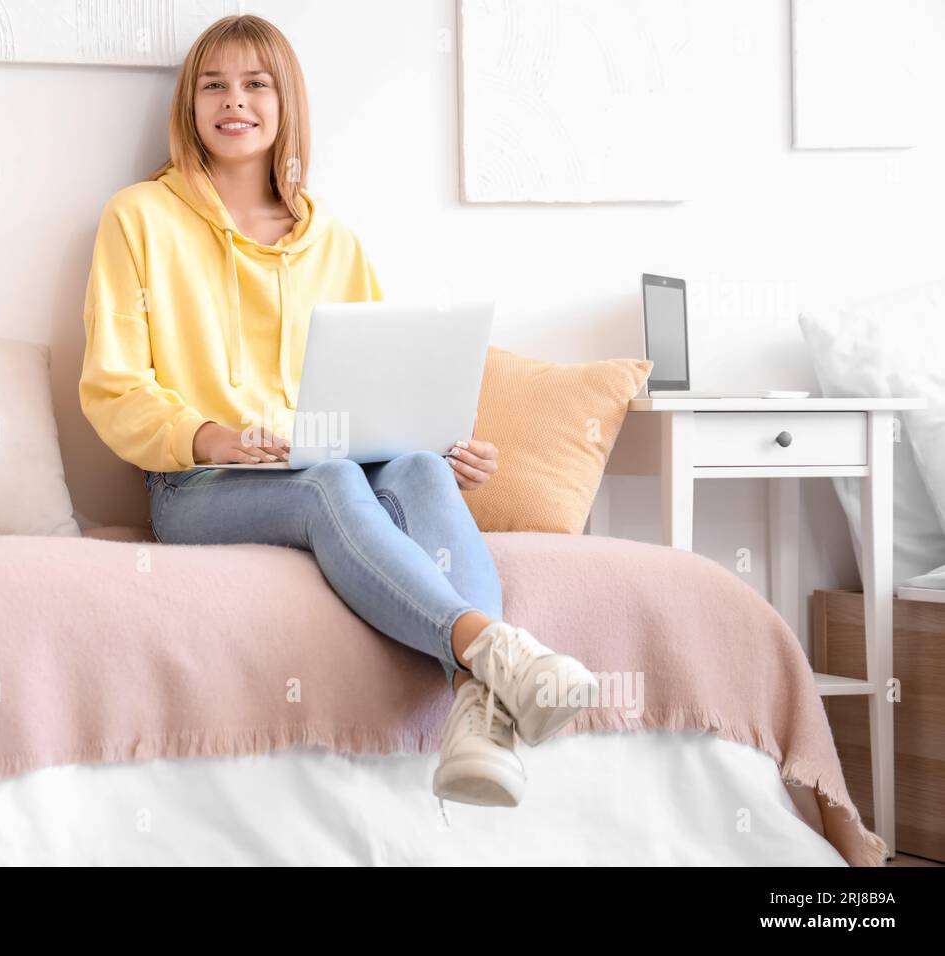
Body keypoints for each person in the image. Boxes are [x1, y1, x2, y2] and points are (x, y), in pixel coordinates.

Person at [78, 14, 597, 815]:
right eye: (213, 84)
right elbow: (114, 387)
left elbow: (375, 388)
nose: (234, 100)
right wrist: (211, 435)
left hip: (324, 459)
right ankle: (496, 655)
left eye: (256, 83)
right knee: (327, 481)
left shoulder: (337, 243)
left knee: (419, 469)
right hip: (197, 484)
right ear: (188, 104)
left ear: (287, 104)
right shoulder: (138, 218)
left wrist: (431, 439)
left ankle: (479, 723)